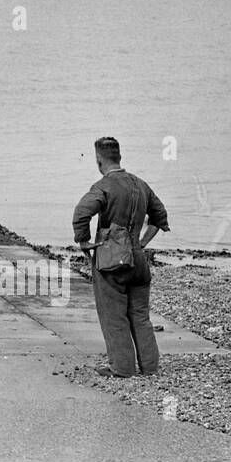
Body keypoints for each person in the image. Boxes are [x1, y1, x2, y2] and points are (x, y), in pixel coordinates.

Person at [72, 137, 170, 378]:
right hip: (138, 260)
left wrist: (84, 241)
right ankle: (150, 367)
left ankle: (123, 368)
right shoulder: (141, 185)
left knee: (113, 316)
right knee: (140, 315)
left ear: (98, 161)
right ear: (120, 158)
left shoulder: (103, 186)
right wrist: (143, 242)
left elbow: (81, 213)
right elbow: (160, 216)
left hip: (112, 262)